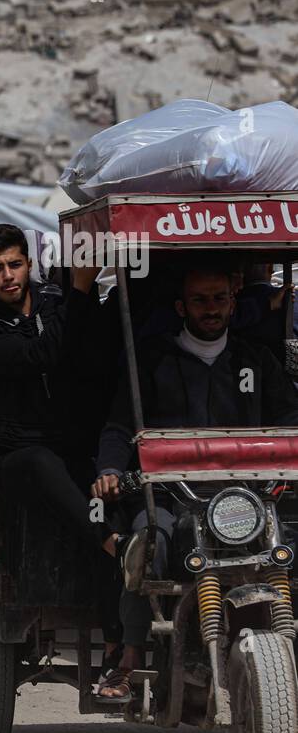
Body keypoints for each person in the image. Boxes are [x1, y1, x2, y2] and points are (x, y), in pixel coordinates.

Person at [90, 266, 298, 702]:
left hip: (249, 497)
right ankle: (128, 663)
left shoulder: (256, 360)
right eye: (200, 301)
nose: (211, 309)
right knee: (149, 543)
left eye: (219, 298)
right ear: (182, 307)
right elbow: (119, 425)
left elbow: (287, 421)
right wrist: (110, 470)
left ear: (232, 303)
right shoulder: (152, 361)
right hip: (172, 497)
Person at [0, 223, 123, 564]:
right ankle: (112, 543)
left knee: (100, 488)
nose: (8, 276)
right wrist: (79, 289)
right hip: (17, 456)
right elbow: (38, 357)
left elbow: (92, 352)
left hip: (72, 447)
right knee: (40, 461)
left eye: (14, 264)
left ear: (29, 264)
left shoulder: (54, 302)